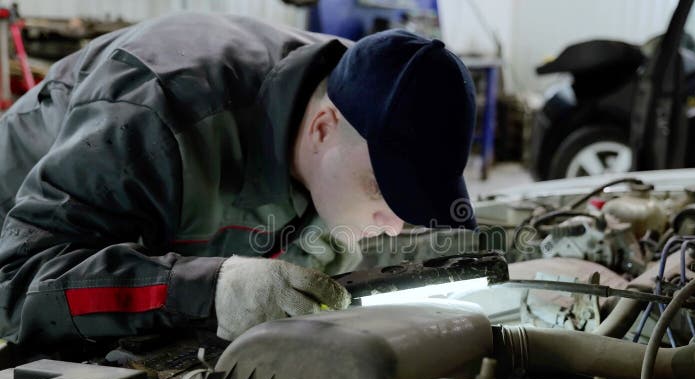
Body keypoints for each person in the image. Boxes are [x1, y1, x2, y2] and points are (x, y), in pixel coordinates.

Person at [0, 13, 477, 348]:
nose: (393, 226)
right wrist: (206, 290)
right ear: (322, 129)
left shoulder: (369, 93)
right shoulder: (155, 118)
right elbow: (17, 285)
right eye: (382, 189)